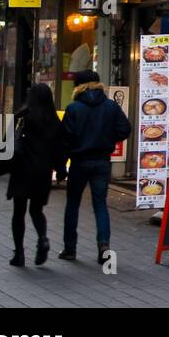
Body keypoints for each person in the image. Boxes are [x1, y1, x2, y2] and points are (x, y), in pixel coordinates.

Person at [60, 70, 130, 264]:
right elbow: (125, 129)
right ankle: (104, 245)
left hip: (79, 161)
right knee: (100, 204)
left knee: (72, 204)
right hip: (102, 161)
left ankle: (70, 248)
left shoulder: (74, 108)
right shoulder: (110, 106)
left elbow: (65, 138)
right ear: (98, 84)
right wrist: (109, 139)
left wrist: (61, 163)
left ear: (78, 87)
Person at [3, 83, 66, 268]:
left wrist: (15, 118)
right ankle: (43, 239)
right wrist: (61, 169)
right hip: (43, 172)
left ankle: (19, 254)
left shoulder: (24, 118)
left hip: (22, 170)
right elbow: (60, 149)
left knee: (19, 212)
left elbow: (7, 140)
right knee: (36, 210)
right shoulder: (55, 122)